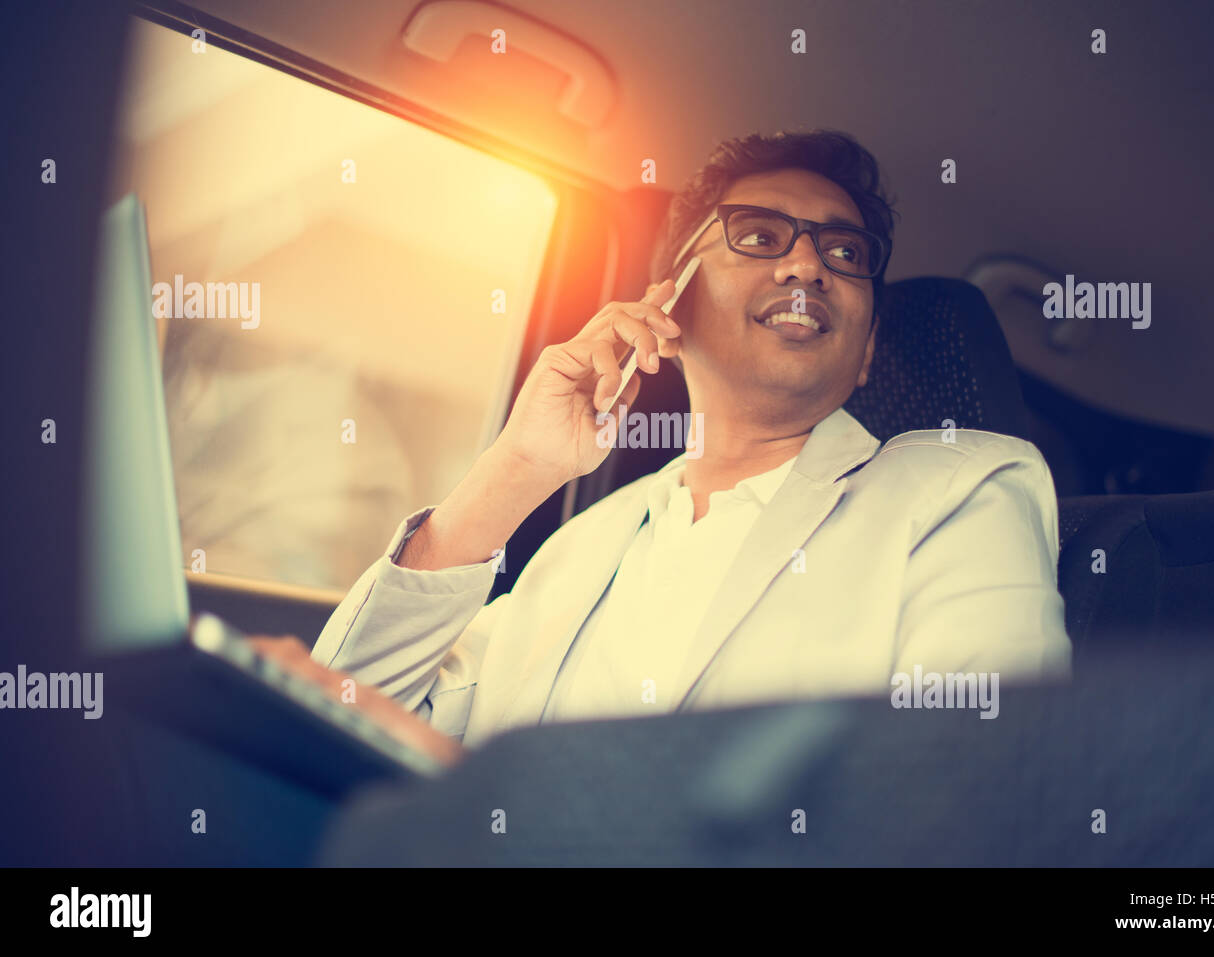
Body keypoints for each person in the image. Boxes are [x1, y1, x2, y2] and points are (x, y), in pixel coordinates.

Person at [255, 129, 1071, 758]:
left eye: (844, 253)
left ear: (864, 355)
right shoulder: (577, 553)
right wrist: (516, 469)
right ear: (669, 306)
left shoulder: (962, 488)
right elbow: (338, 714)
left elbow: (987, 788)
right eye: (760, 236)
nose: (808, 266)